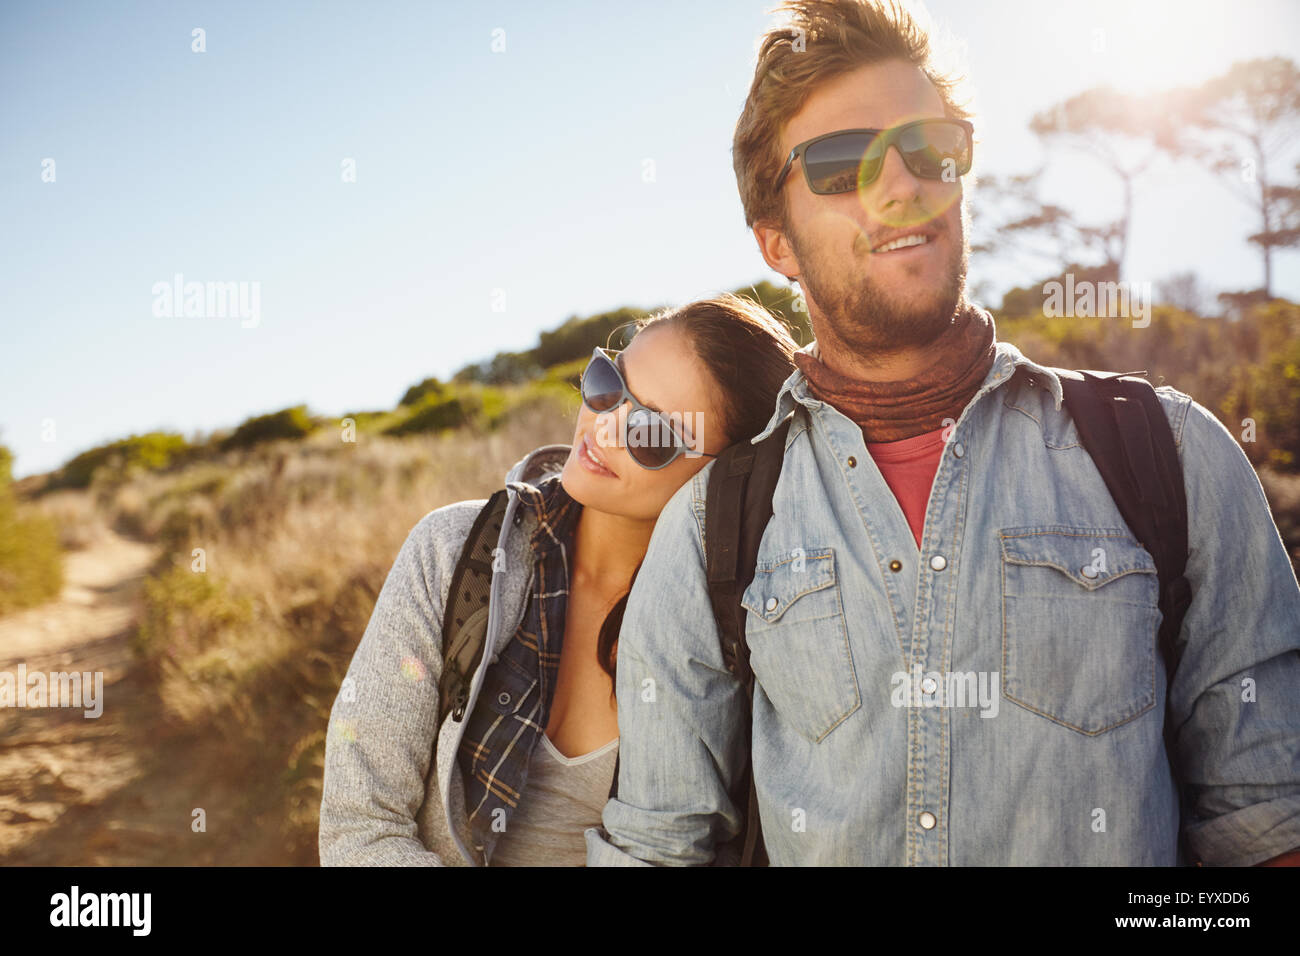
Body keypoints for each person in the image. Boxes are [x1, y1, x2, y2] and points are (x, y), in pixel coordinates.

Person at [587, 0, 1300, 866]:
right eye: (842, 165)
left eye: (930, 146)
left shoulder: (1171, 455)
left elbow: (1267, 824)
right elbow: (660, 847)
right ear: (776, 241)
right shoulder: (712, 529)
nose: (900, 186)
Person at [318, 292, 798, 865]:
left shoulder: (748, 631)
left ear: (728, 475)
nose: (604, 428)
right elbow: (361, 826)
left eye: (651, 434)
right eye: (607, 384)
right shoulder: (453, 553)